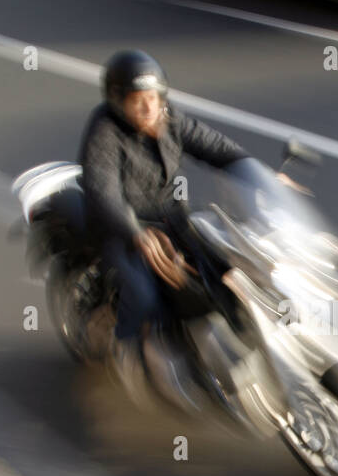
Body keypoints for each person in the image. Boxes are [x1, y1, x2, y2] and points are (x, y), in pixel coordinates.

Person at [79, 49, 280, 408]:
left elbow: (216, 147)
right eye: (137, 101)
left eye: (153, 99)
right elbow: (102, 189)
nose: (147, 109)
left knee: (224, 271)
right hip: (122, 227)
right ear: (117, 101)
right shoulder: (105, 132)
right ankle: (129, 350)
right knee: (145, 295)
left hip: (173, 219)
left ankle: (225, 347)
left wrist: (258, 174)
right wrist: (134, 233)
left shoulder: (170, 123)